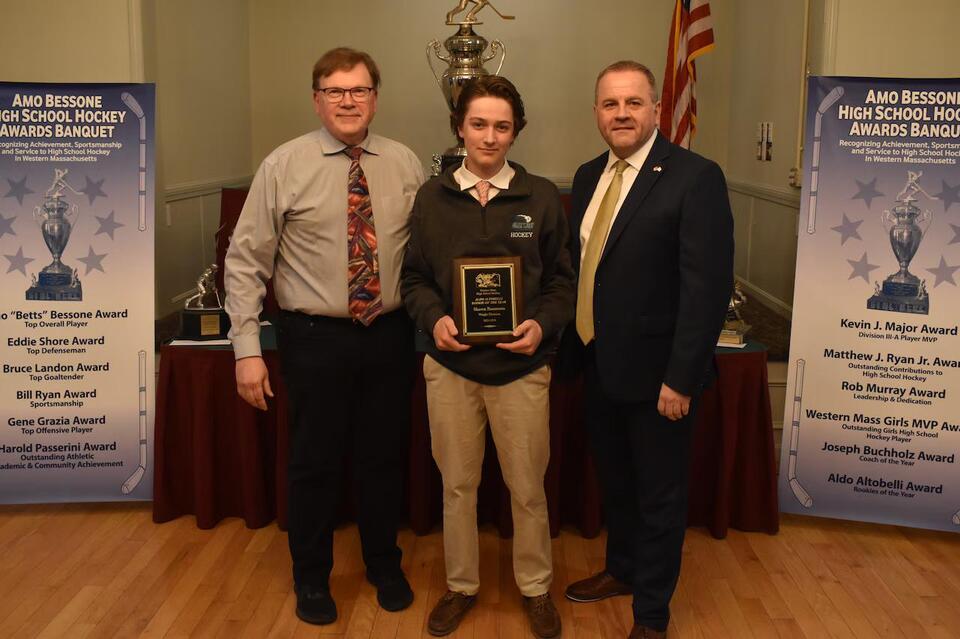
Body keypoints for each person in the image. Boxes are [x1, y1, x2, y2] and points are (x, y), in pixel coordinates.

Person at [224, 47, 425, 626]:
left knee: (383, 458)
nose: (347, 101)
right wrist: (245, 351)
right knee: (313, 463)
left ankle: (384, 565)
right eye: (334, 91)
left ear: (375, 98)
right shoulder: (283, 165)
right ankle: (311, 578)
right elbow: (244, 263)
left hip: (389, 335)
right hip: (313, 338)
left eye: (358, 90)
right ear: (317, 98)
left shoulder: (405, 162)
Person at [561, 61, 734, 639]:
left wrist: (682, 378)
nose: (621, 114)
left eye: (633, 103)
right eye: (610, 105)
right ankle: (623, 569)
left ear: (656, 109)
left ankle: (651, 616)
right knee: (616, 483)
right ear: (596, 114)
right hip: (599, 365)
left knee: (660, 498)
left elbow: (705, 289)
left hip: (661, 377)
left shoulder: (694, 176)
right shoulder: (588, 175)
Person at [401, 75, 574, 638]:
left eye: (502, 126)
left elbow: (562, 285)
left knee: (527, 488)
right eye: (479, 124)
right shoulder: (431, 196)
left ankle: (536, 588)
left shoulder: (542, 195)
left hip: (522, 368)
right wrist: (435, 320)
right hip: (449, 367)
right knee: (458, 486)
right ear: (459, 128)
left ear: (516, 131)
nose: (490, 136)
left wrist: (540, 326)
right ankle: (460, 586)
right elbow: (414, 279)